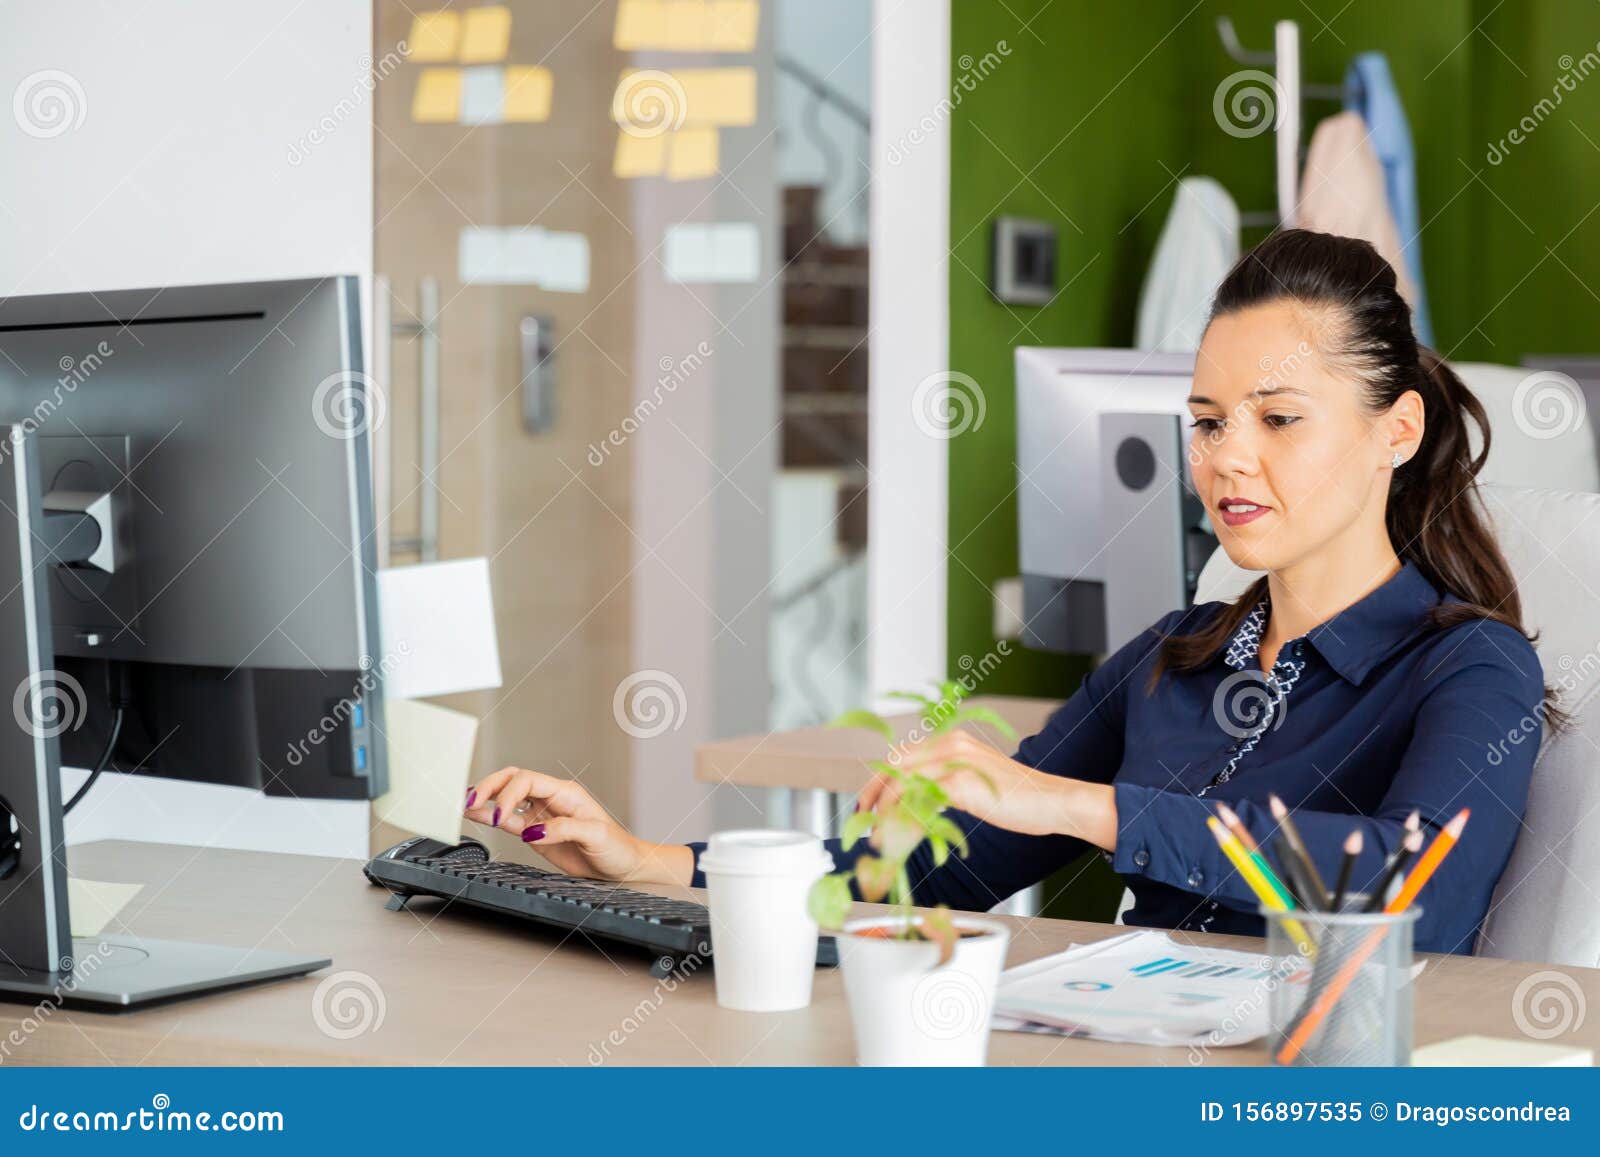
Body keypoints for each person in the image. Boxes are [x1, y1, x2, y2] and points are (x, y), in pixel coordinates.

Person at [462, 229, 1553, 956]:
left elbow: (1414, 893)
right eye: (1209, 420)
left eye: (1277, 418)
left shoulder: (1470, 664)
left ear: (1395, 432)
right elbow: (937, 869)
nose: (1225, 459)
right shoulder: (1173, 656)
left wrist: (1083, 806)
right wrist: (646, 860)